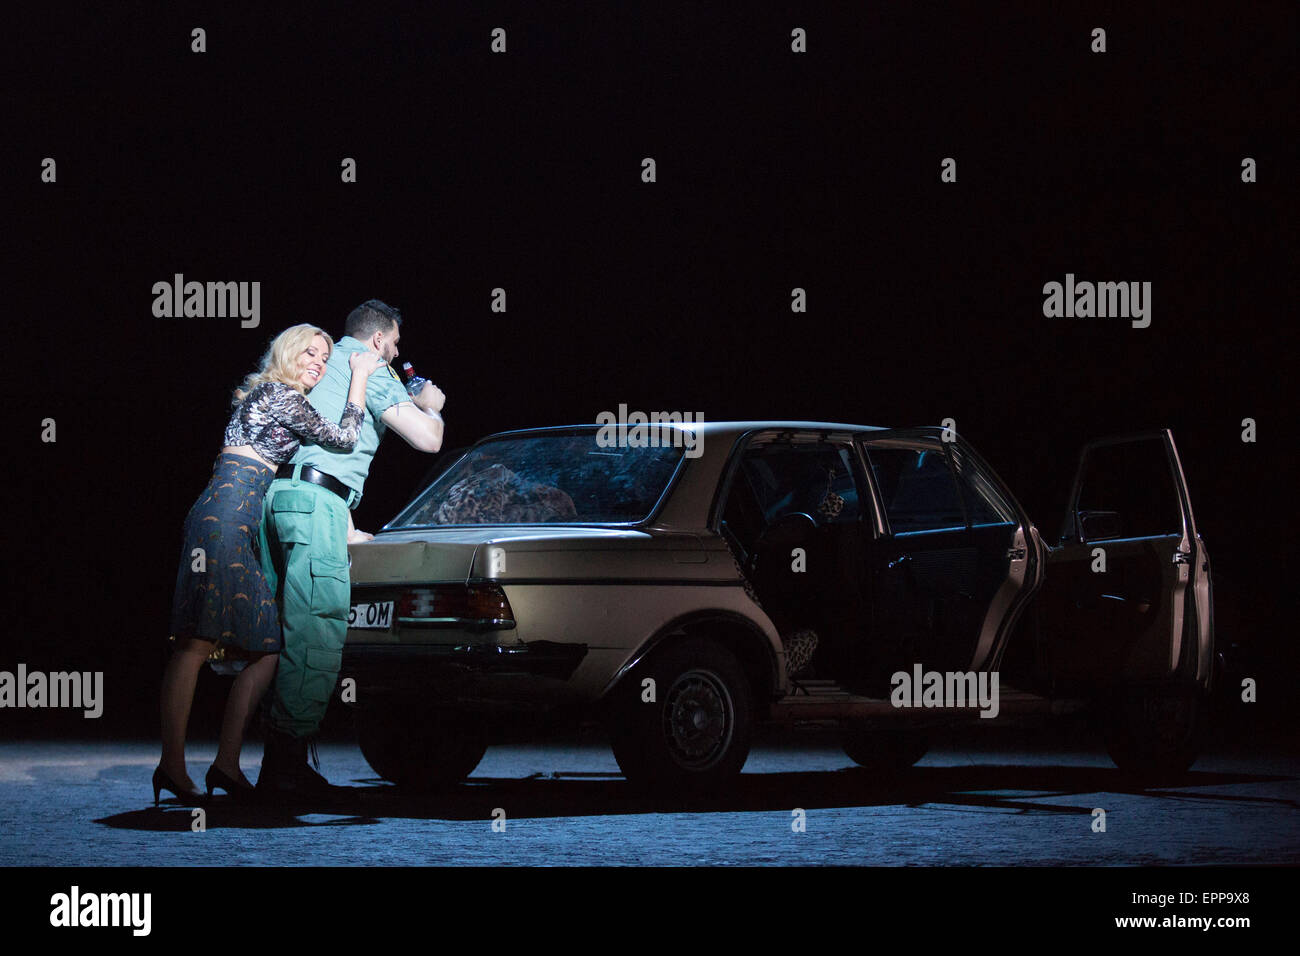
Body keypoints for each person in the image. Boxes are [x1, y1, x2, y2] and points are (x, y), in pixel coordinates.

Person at [156, 324, 387, 805]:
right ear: (285, 352)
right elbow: (345, 438)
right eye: (309, 352)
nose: (318, 363)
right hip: (225, 515)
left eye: (325, 358)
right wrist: (361, 373)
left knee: (266, 647)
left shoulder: (273, 396)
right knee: (197, 644)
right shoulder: (279, 394)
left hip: (238, 517)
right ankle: (174, 768)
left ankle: (225, 764)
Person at [255, 299, 446, 799]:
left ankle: (263, 761)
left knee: (278, 638)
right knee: (316, 632)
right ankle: (284, 771)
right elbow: (428, 441)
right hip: (315, 505)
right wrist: (433, 406)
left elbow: (313, 448)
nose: (397, 352)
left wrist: (343, 522)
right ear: (380, 341)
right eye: (396, 343)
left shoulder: (322, 360)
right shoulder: (372, 368)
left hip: (281, 498)